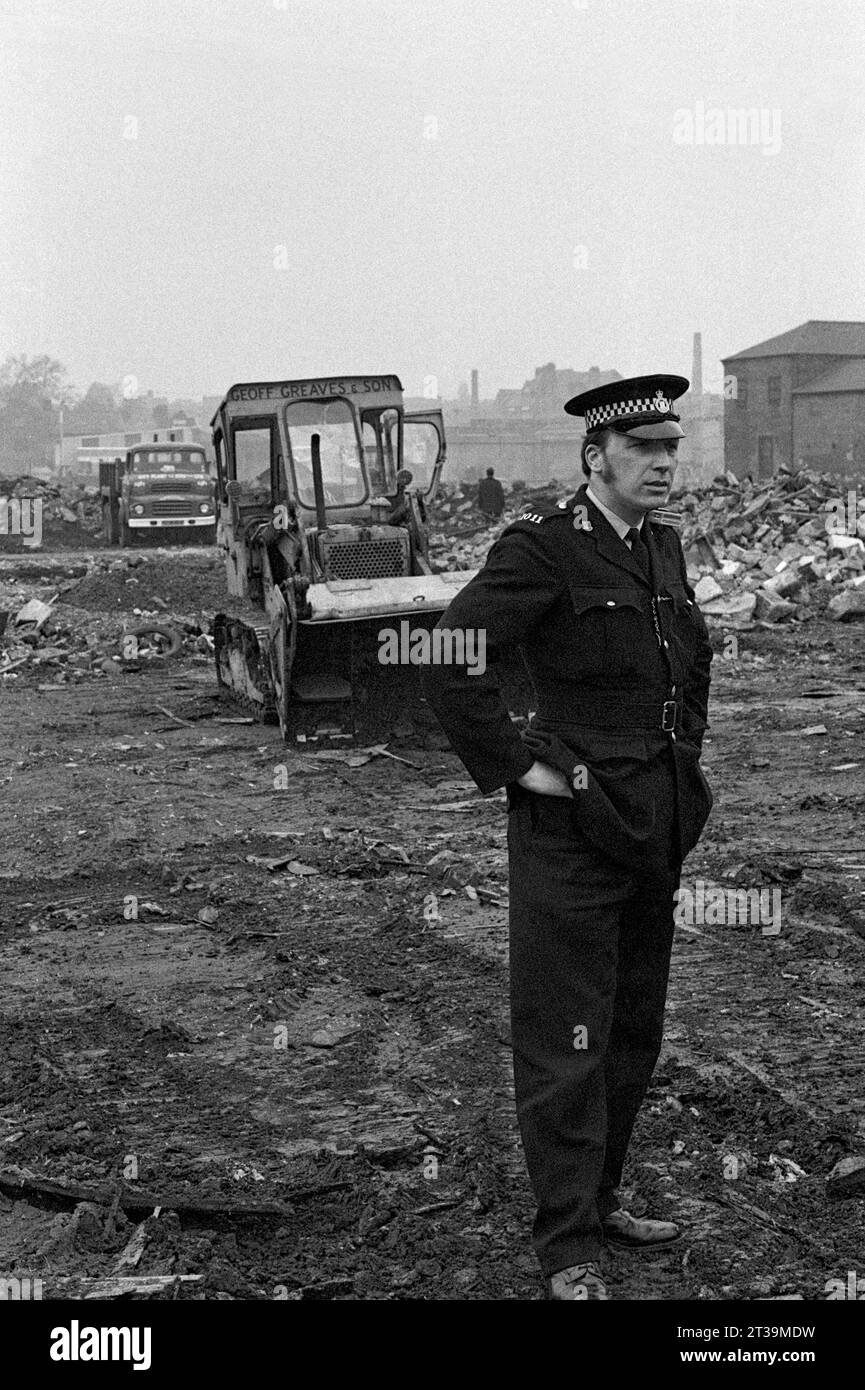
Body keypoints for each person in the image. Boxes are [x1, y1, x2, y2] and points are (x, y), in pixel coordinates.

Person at [421, 374, 713, 1300]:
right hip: (570, 828)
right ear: (596, 458)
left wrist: (686, 775)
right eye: (643, 452)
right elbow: (447, 653)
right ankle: (567, 1246)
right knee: (565, 1039)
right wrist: (519, 766)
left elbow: (685, 679)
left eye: (671, 449)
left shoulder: (658, 550)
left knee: (632, 1030)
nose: (664, 465)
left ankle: (603, 1197)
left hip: (650, 824)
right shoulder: (543, 550)